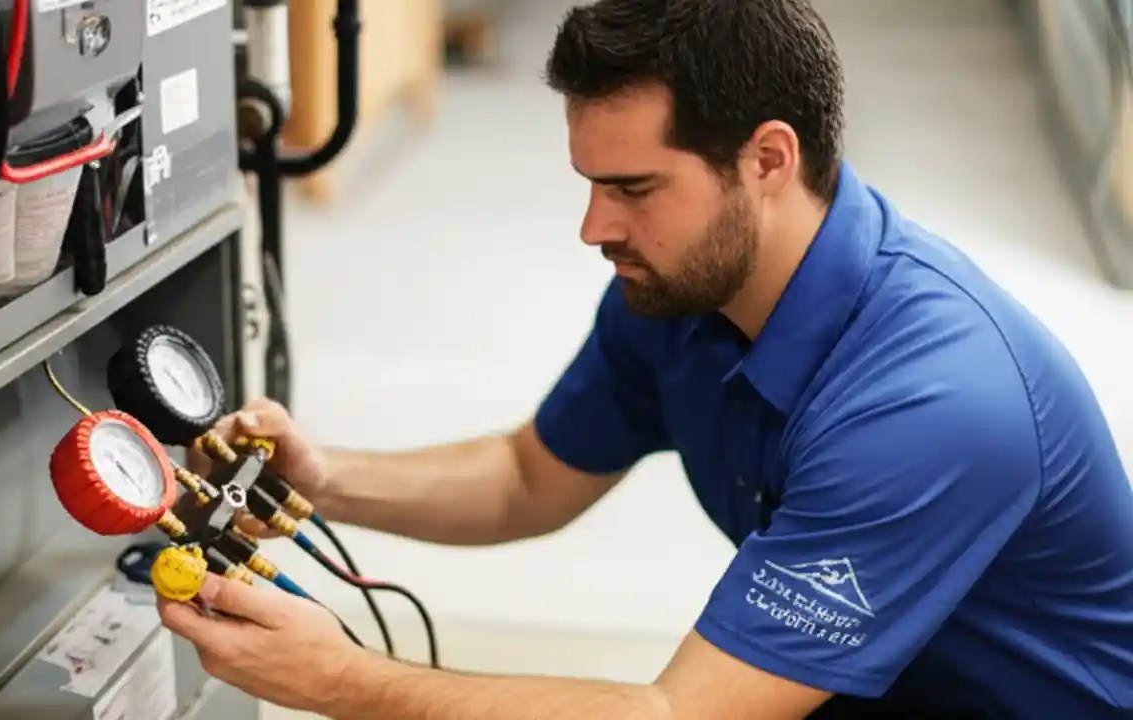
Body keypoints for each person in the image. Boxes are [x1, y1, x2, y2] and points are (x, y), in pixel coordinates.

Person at [160, 0, 1133, 717]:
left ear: (765, 159)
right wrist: (322, 481)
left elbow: (676, 717)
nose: (593, 227)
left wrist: (338, 680)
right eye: (589, 183)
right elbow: (525, 476)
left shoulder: (931, 401)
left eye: (632, 187)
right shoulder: (680, 290)